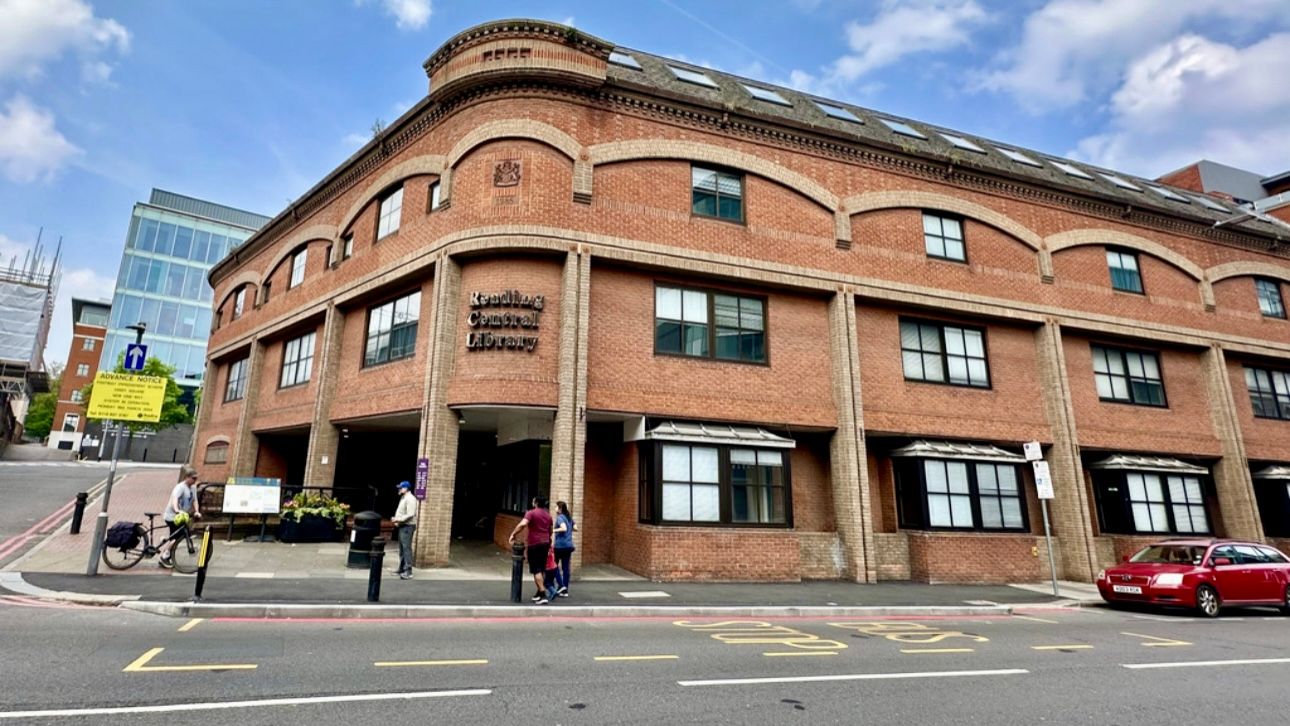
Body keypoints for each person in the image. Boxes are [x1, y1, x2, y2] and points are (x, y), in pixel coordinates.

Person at [508, 495, 553, 604]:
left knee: (536, 569)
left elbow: (523, 524)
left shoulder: (531, 513)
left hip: (535, 544)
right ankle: (538, 593)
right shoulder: (548, 515)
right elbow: (550, 530)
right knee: (541, 569)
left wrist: (513, 534)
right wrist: (548, 540)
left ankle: (543, 594)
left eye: (533, 501)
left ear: (536, 503)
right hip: (545, 542)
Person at [159, 466, 202, 568]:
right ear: (187, 477)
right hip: (172, 517)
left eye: (196, 478)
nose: (195, 480)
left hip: (182, 517)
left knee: (182, 533)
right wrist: (177, 510)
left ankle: (167, 545)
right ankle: (165, 556)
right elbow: (175, 499)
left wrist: (196, 511)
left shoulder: (193, 488)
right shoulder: (180, 487)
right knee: (176, 537)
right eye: (193, 478)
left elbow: (195, 500)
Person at [392, 481, 418, 579]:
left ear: (406, 488)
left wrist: (398, 519)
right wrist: (397, 520)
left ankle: (408, 571)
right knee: (402, 549)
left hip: (407, 526)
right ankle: (402, 568)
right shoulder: (404, 497)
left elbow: (410, 514)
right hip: (403, 526)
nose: (399, 489)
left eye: (401, 488)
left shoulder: (410, 499)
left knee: (406, 549)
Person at [552, 500, 575, 597]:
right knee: (566, 568)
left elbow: (564, 528)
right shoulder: (569, 518)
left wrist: (553, 530)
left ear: (560, 509)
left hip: (560, 546)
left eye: (556, 507)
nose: (555, 508)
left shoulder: (560, 518)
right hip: (569, 545)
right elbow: (576, 528)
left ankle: (561, 585)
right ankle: (565, 590)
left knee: (553, 565)